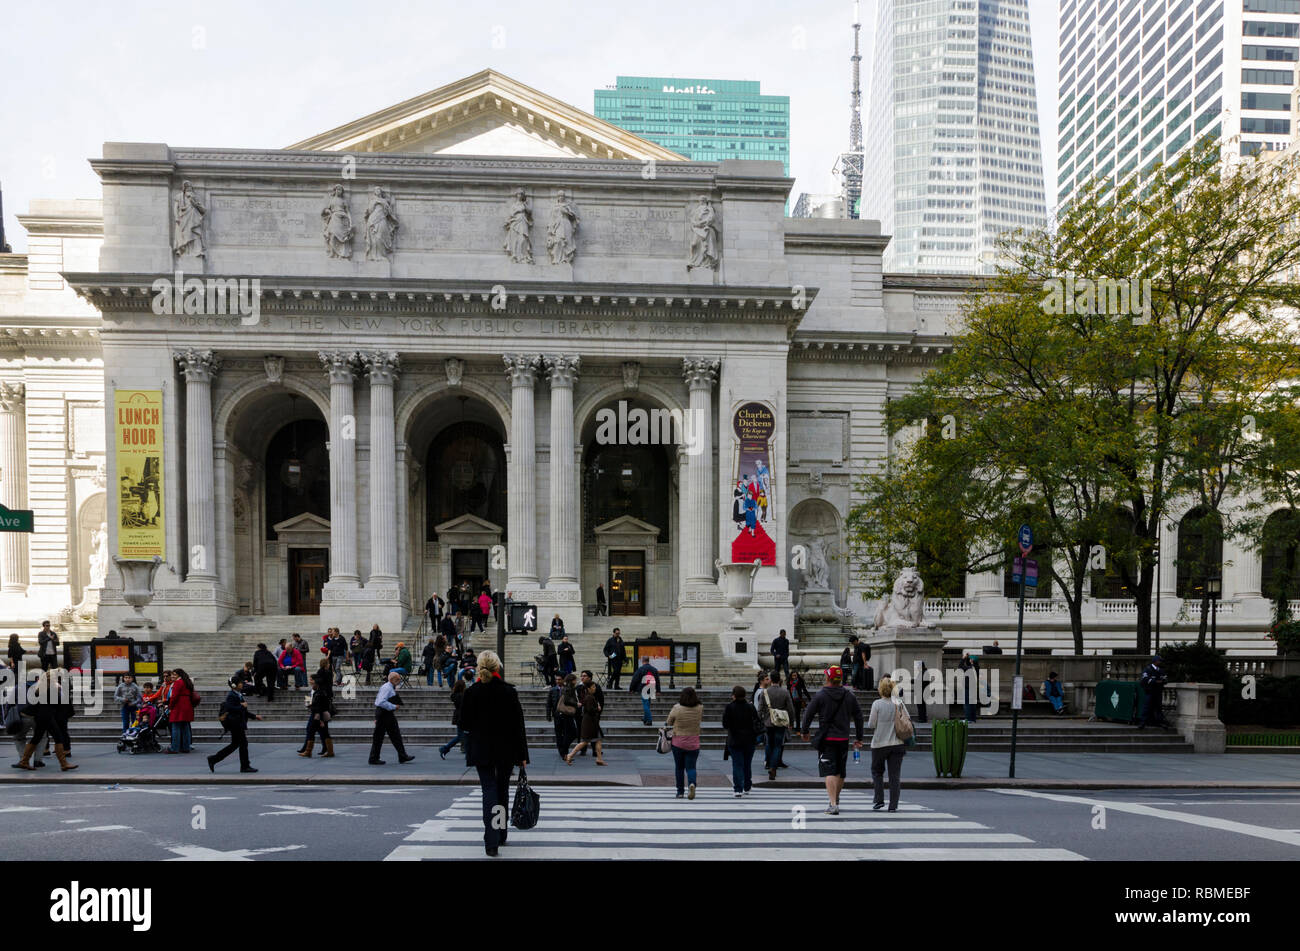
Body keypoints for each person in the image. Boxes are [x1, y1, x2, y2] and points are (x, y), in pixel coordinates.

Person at [459, 650, 529, 856]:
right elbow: (519, 725)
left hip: (481, 748)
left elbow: (463, 724)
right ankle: (501, 831)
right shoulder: (508, 691)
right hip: (505, 749)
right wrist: (522, 754)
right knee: (502, 790)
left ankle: (491, 839)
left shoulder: (472, 692)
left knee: (488, 790)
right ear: (497, 667)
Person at [799, 666, 864, 816]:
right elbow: (859, 716)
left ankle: (833, 804)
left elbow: (808, 713)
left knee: (829, 771)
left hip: (827, 738)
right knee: (840, 772)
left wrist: (805, 731)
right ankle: (835, 798)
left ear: (828, 678)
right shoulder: (849, 696)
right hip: (843, 738)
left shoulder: (821, 695)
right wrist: (859, 737)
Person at [14, 670, 76, 771]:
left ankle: (24, 761)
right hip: (47, 716)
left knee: (37, 738)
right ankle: (64, 764)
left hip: (41, 716)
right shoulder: (53, 688)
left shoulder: (40, 687)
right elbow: (60, 702)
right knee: (58, 737)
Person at [866, 676, 908, 812]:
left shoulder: (877, 704)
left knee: (877, 772)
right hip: (897, 743)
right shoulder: (899, 703)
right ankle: (893, 805)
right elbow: (907, 719)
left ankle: (879, 800)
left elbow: (871, 724)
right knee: (894, 775)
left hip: (879, 743)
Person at [208, 679, 262, 773]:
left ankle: (214, 759)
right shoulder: (231, 695)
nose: (242, 684)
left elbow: (243, 711)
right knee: (243, 744)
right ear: (234, 685)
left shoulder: (238, 694)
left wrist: (254, 716)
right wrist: (242, 706)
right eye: (240, 683)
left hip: (238, 723)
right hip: (235, 724)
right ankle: (245, 766)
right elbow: (230, 708)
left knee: (235, 744)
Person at [757, 671, 797, 781]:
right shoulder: (785, 692)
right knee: (778, 745)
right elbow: (791, 709)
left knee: (769, 743)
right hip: (781, 722)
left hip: (768, 722)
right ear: (779, 680)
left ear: (771, 679)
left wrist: (760, 720)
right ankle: (773, 767)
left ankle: (769, 764)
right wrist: (791, 722)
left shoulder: (765, 692)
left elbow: (760, 710)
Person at [369, 671, 415, 765]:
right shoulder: (387, 688)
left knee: (395, 735)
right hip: (384, 713)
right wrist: (394, 707)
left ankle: (402, 756)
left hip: (385, 714)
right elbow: (381, 702)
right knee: (379, 737)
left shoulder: (389, 687)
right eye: (397, 679)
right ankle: (373, 758)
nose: (399, 681)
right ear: (392, 679)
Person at [722, 685, 761, 797]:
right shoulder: (750, 707)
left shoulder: (729, 707)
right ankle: (747, 786)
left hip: (734, 739)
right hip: (749, 739)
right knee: (747, 764)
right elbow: (757, 722)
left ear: (734, 695)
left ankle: (738, 788)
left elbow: (725, 724)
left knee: (737, 764)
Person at [666, 687, 703, 799]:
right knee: (691, 767)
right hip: (693, 742)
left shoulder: (677, 708)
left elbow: (668, 722)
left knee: (679, 768)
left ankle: (680, 791)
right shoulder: (700, 707)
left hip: (678, 742)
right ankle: (692, 783)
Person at [564, 677, 606, 765]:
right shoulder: (589, 697)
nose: (595, 688)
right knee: (584, 742)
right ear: (588, 688)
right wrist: (597, 708)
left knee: (598, 740)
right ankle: (570, 755)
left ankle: (599, 759)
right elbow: (590, 710)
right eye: (593, 687)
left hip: (592, 723)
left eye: (595, 687)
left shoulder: (590, 696)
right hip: (589, 724)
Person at [301, 660, 335, 758]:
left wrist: (320, 719)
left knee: (311, 731)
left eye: (313, 683)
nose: (312, 685)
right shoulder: (320, 692)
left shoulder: (319, 693)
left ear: (317, 684)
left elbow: (319, 707)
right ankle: (329, 751)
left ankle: (308, 751)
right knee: (324, 733)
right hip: (320, 715)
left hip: (318, 716)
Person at [165, 668, 199, 754]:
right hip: (187, 705)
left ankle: (174, 748)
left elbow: (174, 697)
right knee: (185, 727)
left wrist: (170, 707)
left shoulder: (178, 683)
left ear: (179, 675)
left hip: (179, 706)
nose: (172, 676)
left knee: (176, 727)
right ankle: (186, 747)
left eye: (174, 675)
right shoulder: (187, 682)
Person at [439, 677, 468, 759]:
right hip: (462, 717)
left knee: (461, 736)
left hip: (459, 716)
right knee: (462, 736)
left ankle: (445, 749)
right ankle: (444, 748)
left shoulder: (455, 695)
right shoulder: (461, 696)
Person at [1139, 655, 1169, 729]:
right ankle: (1142, 723)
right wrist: (1155, 681)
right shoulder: (1148, 669)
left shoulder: (1161, 670)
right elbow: (1144, 679)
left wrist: (1159, 681)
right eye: (1159, 661)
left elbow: (1165, 679)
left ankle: (1159, 722)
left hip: (1158, 692)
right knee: (1147, 707)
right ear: (1155, 661)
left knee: (1158, 707)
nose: (1160, 662)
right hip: (1150, 691)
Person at [553, 673, 579, 757]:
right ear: (571, 680)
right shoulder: (568, 688)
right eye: (575, 680)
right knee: (572, 733)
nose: (576, 681)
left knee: (570, 733)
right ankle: (564, 749)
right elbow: (567, 700)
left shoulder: (568, 688)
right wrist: (576, 703)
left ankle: (564, 751)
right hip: (566, 714)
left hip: (565, 714)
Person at [630, 656, 661, 725]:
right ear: (648, 661)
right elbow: (657, 681)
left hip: (644, 689)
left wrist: (631, 689)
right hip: (652, 688)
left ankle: (649, 720)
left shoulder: (640, 669)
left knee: (645, 704)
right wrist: (658, 691)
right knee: (648, 704)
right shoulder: (654, 669)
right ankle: (645, 718)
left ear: (642, 661)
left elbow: (635, 679)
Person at [958, 651, 979, 724]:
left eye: (970, 659)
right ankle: (973, 719)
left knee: (967, 703)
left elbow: (960, 666)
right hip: (973, 688)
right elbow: (968, 663)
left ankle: (968, 719)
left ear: (972, 661)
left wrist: (963, 658)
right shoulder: (976, 668)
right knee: (972, 704)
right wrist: (968, 658)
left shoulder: (969, 669)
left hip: (968, 688)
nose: (969, 660)